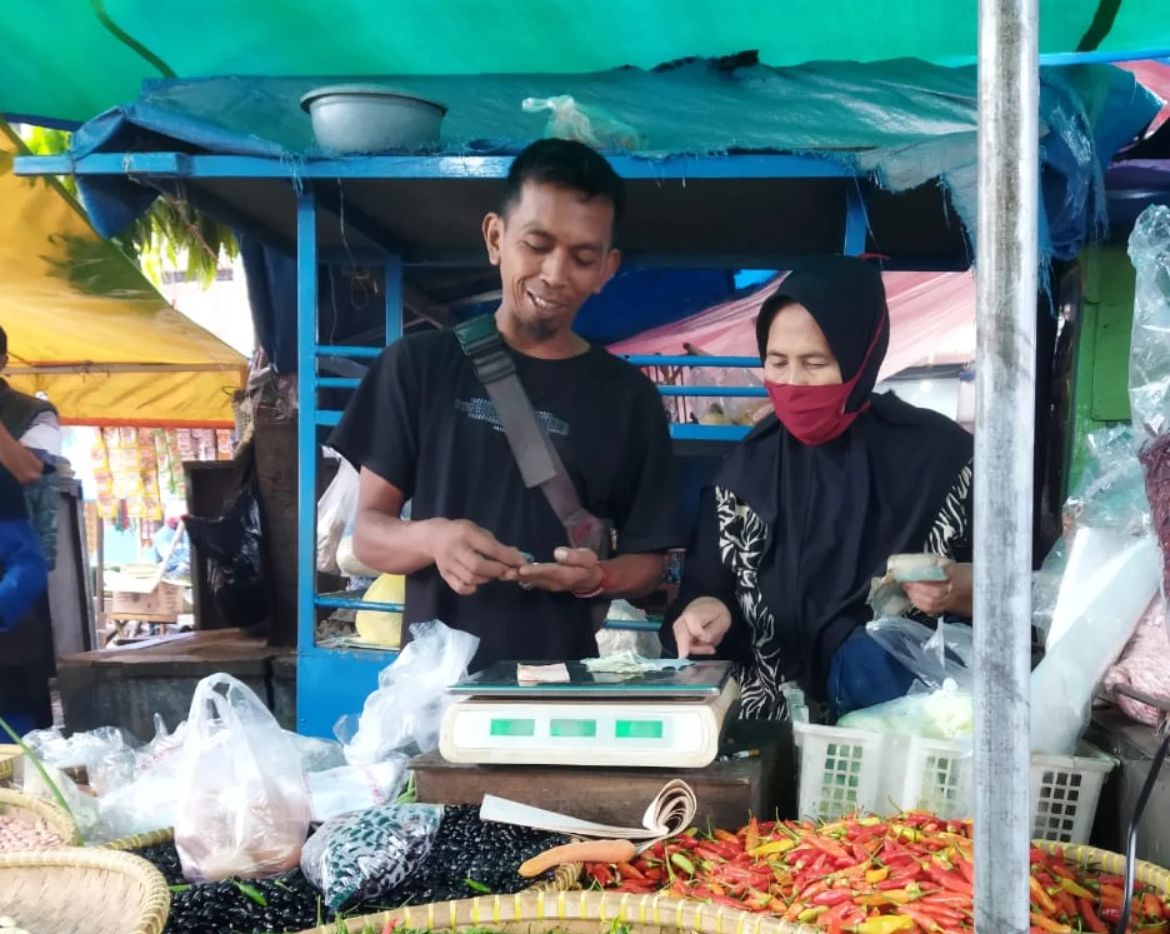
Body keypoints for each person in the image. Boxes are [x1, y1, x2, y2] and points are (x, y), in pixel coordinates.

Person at [331, 139, 679, 670]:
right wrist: (434, 539)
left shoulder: (630, 399)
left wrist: (598, 578)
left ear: (608, 268)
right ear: (496, 237)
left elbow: (649, 564)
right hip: (434, 689)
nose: (556, 274)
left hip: (561, 690)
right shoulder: (417, 366)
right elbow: (372, 536)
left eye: (582, 257)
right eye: (536, 245)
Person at [670, 259, 973, 722]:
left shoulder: (944, 459)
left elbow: (1021, 593)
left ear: (861, 355)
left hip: (906, 739)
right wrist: (705, 611)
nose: (792, 383)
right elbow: (706, 588)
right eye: (777, 362)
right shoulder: (745, 472)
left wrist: (958, 589)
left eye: (815, 363)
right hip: (769, 731)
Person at [0, 313, 55, 724]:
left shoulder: (34, 414)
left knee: (13, 674)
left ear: (0, 360)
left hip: (16, 559)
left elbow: (27, 470)